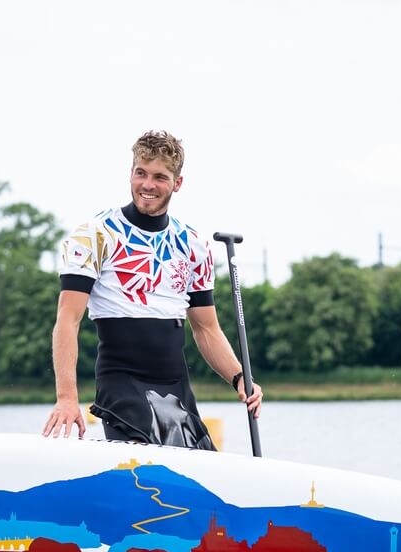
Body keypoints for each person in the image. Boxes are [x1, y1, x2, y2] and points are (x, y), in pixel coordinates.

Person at [42, 130, 262, 447]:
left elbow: (206, 329)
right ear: (130, 173)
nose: (147, 185)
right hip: (121, 382)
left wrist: (240, 377)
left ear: (177, 183)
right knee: (148, 467)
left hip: (175, 386)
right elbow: (68, 318)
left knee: (197, 472)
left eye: (160, 177)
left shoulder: (193, 245)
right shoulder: (95, 235)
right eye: (141, 173)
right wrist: (66, 398)